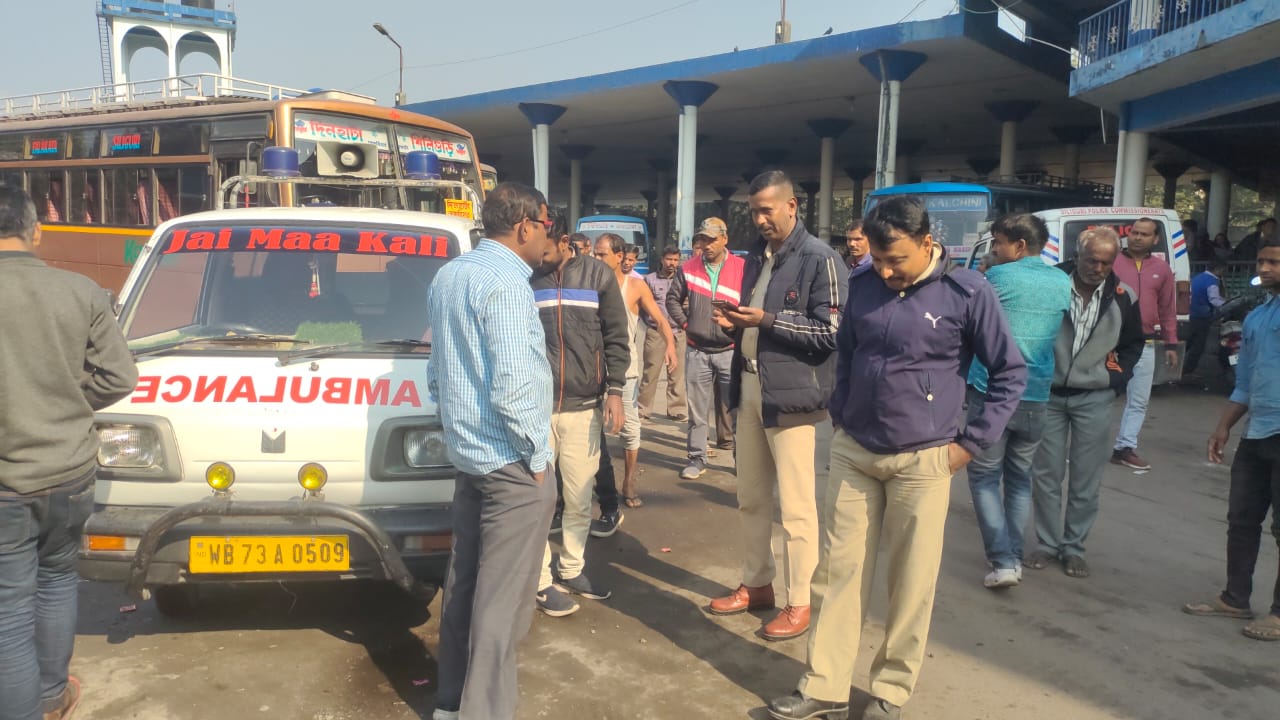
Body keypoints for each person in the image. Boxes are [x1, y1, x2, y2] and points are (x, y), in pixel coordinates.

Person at [768, 195, 1026, 720]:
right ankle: (825, 687)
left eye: (896, 260)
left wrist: (969, 444)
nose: (885, 270)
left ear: (927, 243)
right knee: (837, 574)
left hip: (925, 461)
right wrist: (840, 410)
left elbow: (1009, 372)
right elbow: (849, 354)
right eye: (878, 260)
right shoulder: (863, 285)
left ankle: (890, 693)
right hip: (855, 451)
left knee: (910, 584)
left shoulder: (967, 292)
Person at [0, 186, 138, 720]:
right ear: (36, 231)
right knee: (57, 579)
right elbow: (119, 375)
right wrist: (65, 401)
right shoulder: (80, 291)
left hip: (9, 484)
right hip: (73, 473)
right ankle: (54, 695)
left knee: (9, 611)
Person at [424, 182, 561, 719]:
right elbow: (512, 383)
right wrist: (538, 457)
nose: (549, 236)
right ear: (525, 225)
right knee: (502, 608)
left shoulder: (450, 274)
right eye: (546, 225)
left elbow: (437, 371)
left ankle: (451, 704)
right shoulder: (505, 284)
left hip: (470, 459)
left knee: (464, 588)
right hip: (510, 464)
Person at [709, 171, 848, 642]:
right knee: (750, 497)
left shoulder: (819, 258)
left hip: (792, 401)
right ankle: (757, 583)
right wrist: (735, 324)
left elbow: (832, 333)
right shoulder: (754, 257)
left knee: (796, 508)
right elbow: (758, 326)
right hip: (749, 387)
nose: (760, 219)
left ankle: (799, 600)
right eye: (754, 211)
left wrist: (765, 319)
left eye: (768, 209)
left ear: (793, 206)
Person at [1027, 228, 1144, 580]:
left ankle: (1074, 548)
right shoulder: (1050, 284)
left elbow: (1133, 344)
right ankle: (1048, 544)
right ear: (1077, 256)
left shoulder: (1124, 296)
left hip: (1093, 397)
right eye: (1092, 260)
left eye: (1106, 262)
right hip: (1048, 395)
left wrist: (1114, 378)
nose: (1098, 268)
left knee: (1086, 478)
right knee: (1046, 475)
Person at [964, 214, 1071, 588]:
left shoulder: (996, 278)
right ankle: (1014, 556)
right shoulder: (1062, 280)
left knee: (983, 476)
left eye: (998, 243)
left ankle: (1004, 560)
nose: (994, 250)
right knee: (1020, 479)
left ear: (1019, 245)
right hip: (1037, 394)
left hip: (991, 392)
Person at [1183, 238, 1280, 641]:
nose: (1265, 266)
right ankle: (1235, 598)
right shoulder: (1258, 317)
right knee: (1241, 519)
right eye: (1261, 260)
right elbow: (1245, 381)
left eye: (1273, 261)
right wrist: (1224, 426)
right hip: (1257, 432)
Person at [531, 221, 630, 610]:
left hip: (583, 406)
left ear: (565, 242)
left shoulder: (598, 276)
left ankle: (571, 568)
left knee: (577, 495)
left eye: (546, 249)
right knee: (539, 499)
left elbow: (616, 337)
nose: (539, 256)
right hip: (535, 409)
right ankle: (540, 580)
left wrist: (616, 392)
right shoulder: (528, 278)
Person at [593, 233, 678, 507]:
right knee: (591, 430)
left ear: (619, 258)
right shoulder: (589, 284)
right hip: (592, 369)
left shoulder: (636, 287)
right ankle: (597, 484)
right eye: (594, 254)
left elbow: (661, 319)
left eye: (601, 254)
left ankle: (628, 481)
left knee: (628, 427)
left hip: (625, 371)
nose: (596, 259)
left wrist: (670, 347)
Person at [666, 217, 745, 480]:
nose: (706, 245)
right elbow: (672, 300)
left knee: (736, 410)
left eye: (711, 239)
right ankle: (697, 458)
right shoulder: (688, 269)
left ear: (724, 239)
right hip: (697, 350)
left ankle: (741, 462)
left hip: (730, 351)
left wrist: (737, 326)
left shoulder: (742, 268)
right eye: (702, 239)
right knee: (697, 411)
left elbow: (749, 305)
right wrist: (688, 324)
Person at [1110, 217, 1178, 471]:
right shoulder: (1111, 263)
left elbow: (1167, 308)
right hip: (1111, 342)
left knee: (1138, 400)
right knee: (1102, 395)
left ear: (1155, 239)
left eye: (1144, 234)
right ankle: (1089, 445)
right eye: (1134, 232)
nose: (1137, 237)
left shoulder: (1162, 269)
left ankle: (1124, 448)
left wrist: (1170, 343)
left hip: (1146, 343)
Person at [638, 245, 688, 422]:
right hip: (656, 333)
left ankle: (676, 409)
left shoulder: (684, 280)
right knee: (651, 372)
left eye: (675, 260)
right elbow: (643, 308)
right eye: (668, 259)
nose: (672, 263)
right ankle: (643, 409)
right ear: (662, 259)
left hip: (678, 332)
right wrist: (652, 325)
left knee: (677, 373)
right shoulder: (649, 280)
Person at [1184, 260, 1228, 376]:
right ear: (1218, 269)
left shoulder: (1198, 277)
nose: (1224, 272)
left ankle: (1176, 368)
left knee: (1188, 344)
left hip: (1190, 314)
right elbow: (1214, 299)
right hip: (1202, 317)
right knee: (1198, 346)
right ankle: (1188, 371)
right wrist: (1227, 304)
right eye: (1223, 270)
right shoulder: (1212, 281)